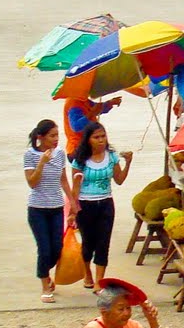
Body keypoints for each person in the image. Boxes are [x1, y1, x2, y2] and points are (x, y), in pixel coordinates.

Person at [67, 122, 133, 291]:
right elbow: (75, 187)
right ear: (88, 140)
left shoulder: (111, 157)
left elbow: (119, 180)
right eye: (96, 137)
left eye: (103, 136)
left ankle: (99, 281)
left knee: (103, 243)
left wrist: (128, 163)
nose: (101, 140)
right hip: (85, 205)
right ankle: (87, 272)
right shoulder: (80, 160)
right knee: (88, 243)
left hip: (105, 204)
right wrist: (73, 211)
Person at [24, 119, 72, 302]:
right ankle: (45, 285)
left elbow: (63, 179)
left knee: (57, 249)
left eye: (57, 135)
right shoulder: (30, 155)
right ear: (40, 137)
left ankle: (44, 272)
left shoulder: (59, 154)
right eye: (52, 136)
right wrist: (42, 162)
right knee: (44, 249)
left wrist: (73, 201)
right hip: (37, 208)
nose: (55, 139)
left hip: (56, 206)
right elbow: (32, 183)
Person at [62, 94, 119, 159]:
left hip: (89, 146)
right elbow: (76, 126)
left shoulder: (83, 100)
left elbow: (97, 107)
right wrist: (92, 113)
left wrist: (110, 103)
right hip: (78, 148)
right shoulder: (73, 103)